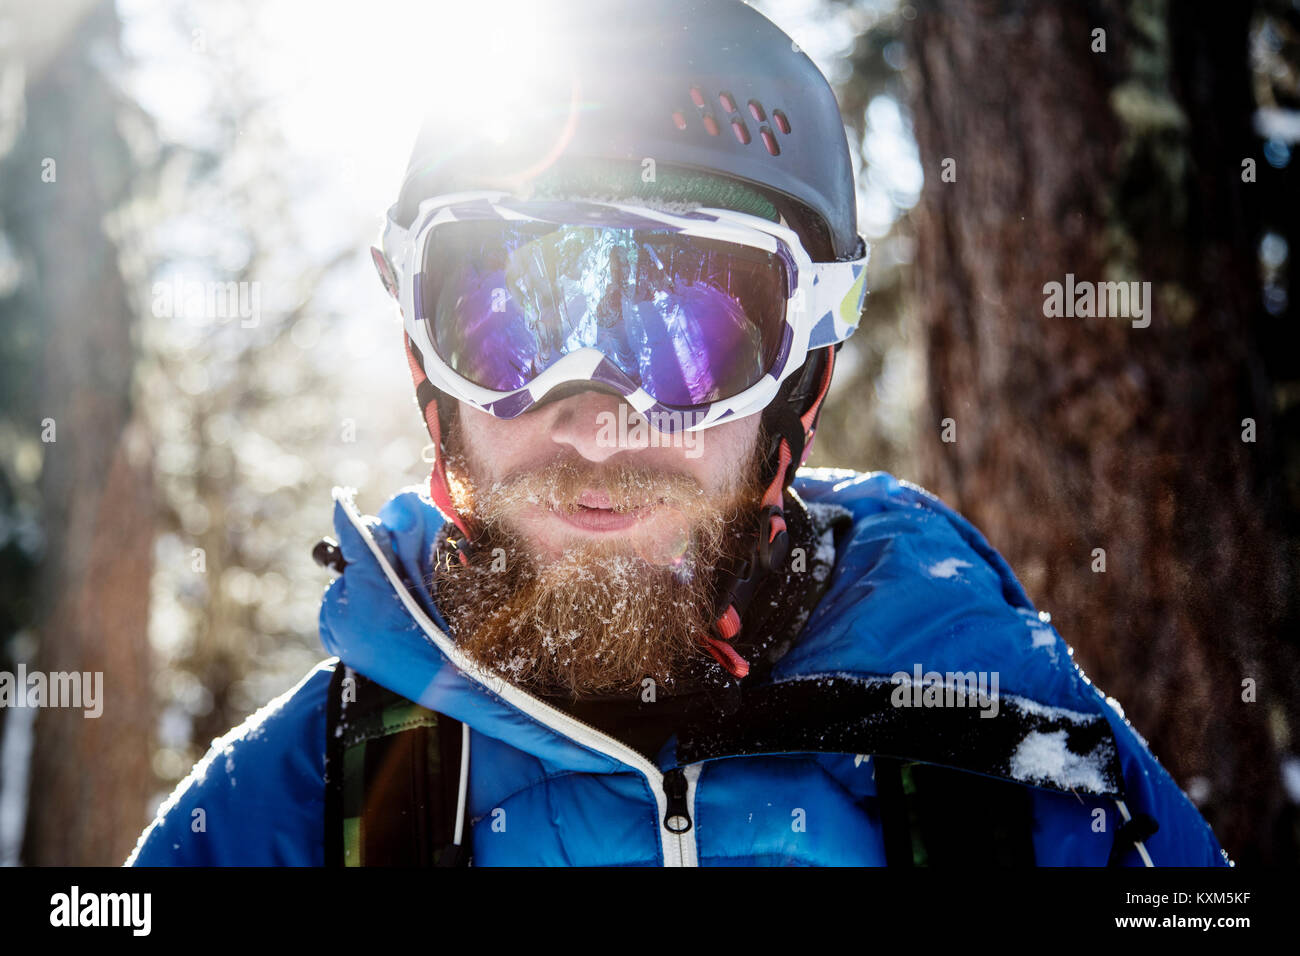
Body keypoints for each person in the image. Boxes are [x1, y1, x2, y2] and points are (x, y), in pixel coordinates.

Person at [127, 0, 1227, 867]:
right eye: (513, 327)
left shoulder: (1029, 762)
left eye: (689, 336)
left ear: (802, 372)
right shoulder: (285, 815)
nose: (599, 421)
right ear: (425, 355)